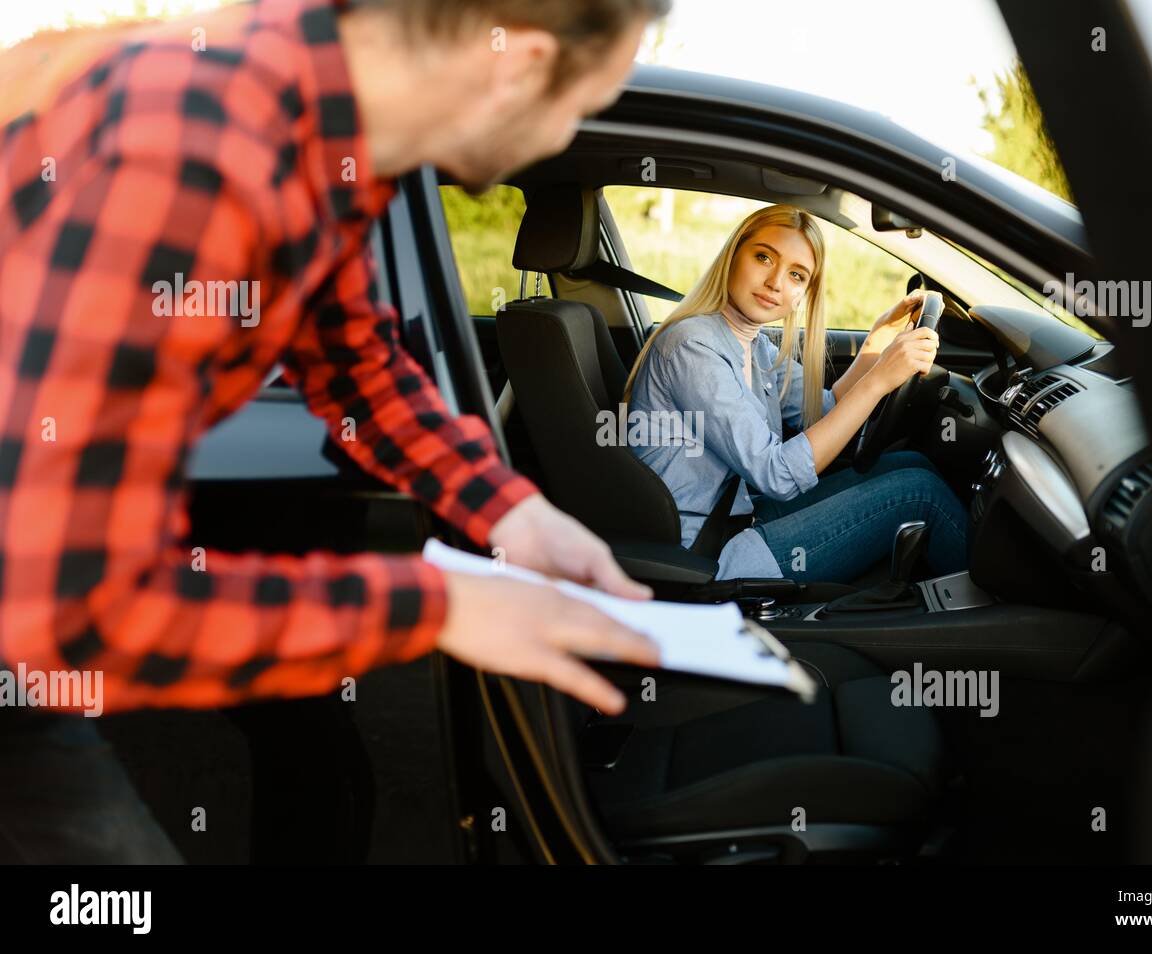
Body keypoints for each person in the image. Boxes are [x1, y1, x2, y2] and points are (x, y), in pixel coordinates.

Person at [0, 0, 670, 862]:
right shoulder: (196, 157)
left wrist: (514, 516)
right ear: (518, 62)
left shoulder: (318, 118)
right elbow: (82, 611)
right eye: (580, 107)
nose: (565, 134)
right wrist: (441, 606)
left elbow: (355, 358)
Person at [623, 204, 970, 583]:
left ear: (804, 292)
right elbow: (778, 475)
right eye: (763, 257)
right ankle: (1007, 619)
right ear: (732, 256)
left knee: (911, 465)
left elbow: (822, 412)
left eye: (796, 275)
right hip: (707, 552)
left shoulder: (754, 346)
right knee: (920, 494)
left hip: (740, 516)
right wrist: (879, 381)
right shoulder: (692, 347)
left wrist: (876, 343)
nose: (775, 282)